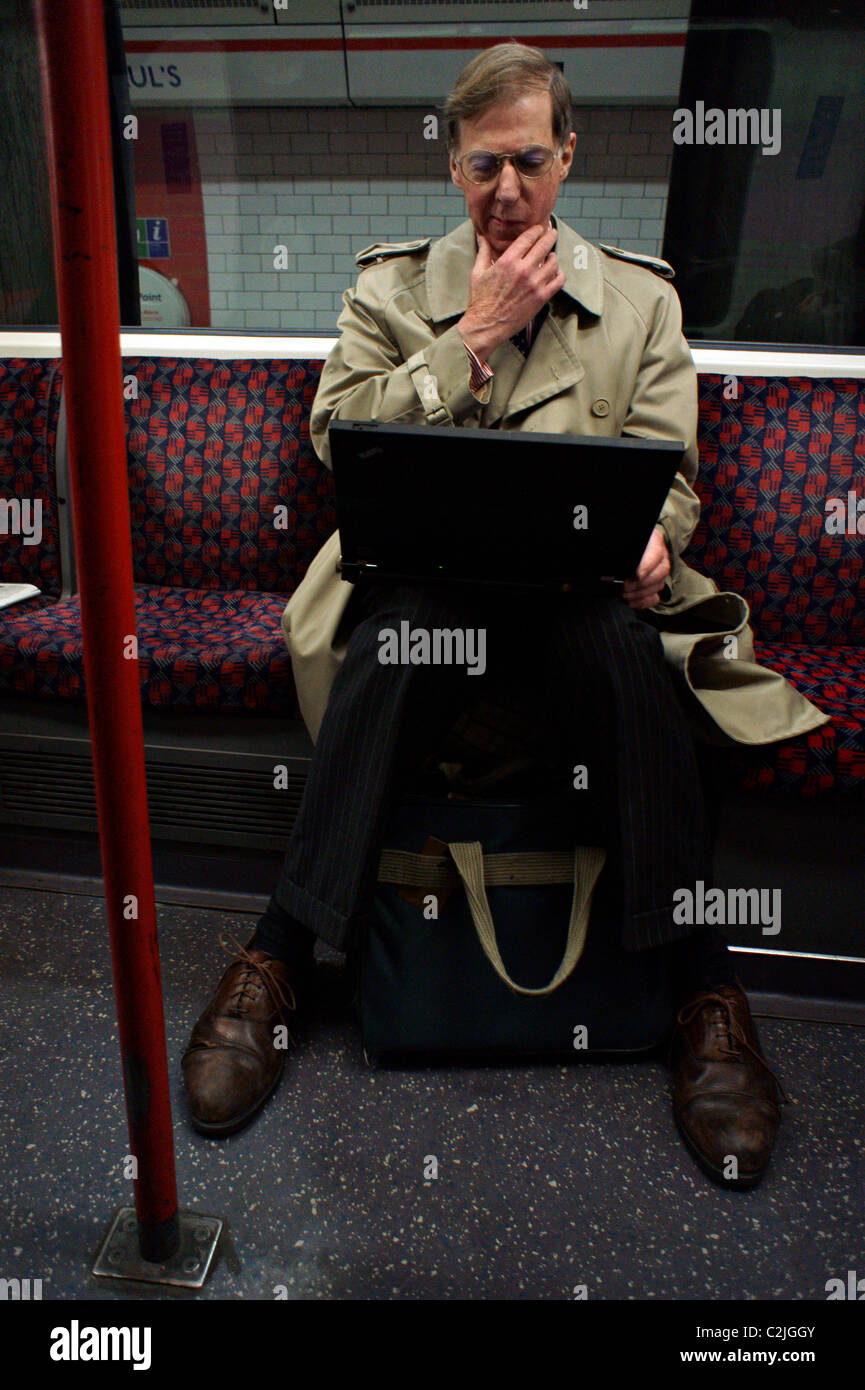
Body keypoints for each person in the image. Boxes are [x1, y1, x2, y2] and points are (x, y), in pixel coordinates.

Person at [182, 43, 828, 1189]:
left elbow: (669, 472)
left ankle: (702, 988)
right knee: (393, 636)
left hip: (581, 595)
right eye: (484, 165)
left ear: (567, 156)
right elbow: (341, 444)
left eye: (530, 161)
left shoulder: (639, 299)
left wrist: (654, 537)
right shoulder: (390, 291)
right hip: (427, 587)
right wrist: (470, 337)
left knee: (622, 653)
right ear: (452, 165)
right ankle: (279, 957)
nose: (508, 191)